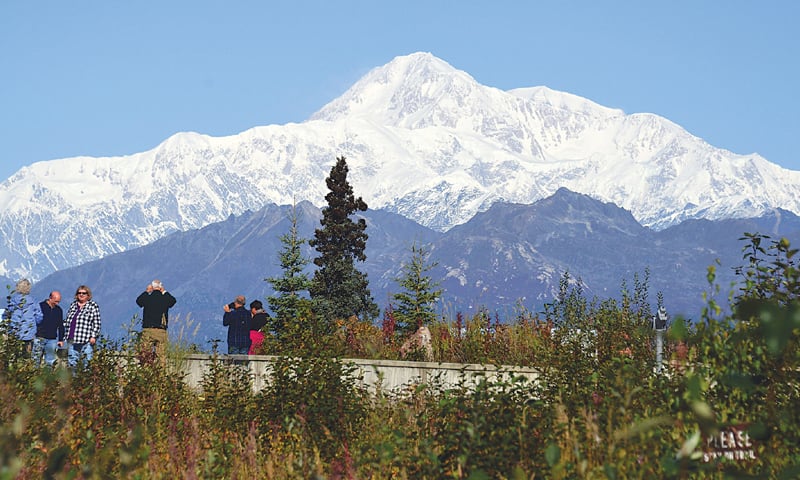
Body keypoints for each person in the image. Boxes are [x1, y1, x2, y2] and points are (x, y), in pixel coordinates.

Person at [136, 279, 177, 363]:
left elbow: (139, 301)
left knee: (146, 355)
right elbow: (173, 301)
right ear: (160, 287)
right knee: (161, 356)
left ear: (152, 287)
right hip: (161, 330)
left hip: (148, 330)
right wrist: (164, 291)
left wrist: (147, 291)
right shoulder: (164, 299)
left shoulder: (148, 298)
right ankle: (161, 374)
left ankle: (146, 373)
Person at [62, 285, 102, 368]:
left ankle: (86, 379)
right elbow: (68, 321)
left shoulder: (92, 306)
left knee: (86, 361)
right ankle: (74, 379)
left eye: (84, 293)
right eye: (79, 293)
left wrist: (93, 336)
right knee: (72, 362)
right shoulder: (73, 305)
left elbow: (97, 322)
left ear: (88, 295)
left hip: (85, 339)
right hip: (72, 339)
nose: (81, 295)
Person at [5, 278, 42, 357]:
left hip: (14, 333)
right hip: (29, 333)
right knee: (26, 356)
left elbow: (6, 316)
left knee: (15, 356)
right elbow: (39, 317)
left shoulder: (12, 302)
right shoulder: (33, 302)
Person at [32, 291, 65, 367]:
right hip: (40, 337)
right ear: (50, 298)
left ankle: (48, 377)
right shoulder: (40, 306)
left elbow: (61, 325)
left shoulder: (58, 310)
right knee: (35, 359)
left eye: (58, 301)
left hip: (52, 339)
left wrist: (61, 339)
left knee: (50, 360)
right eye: (55, 301)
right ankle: (33, 376)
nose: (57, 303)